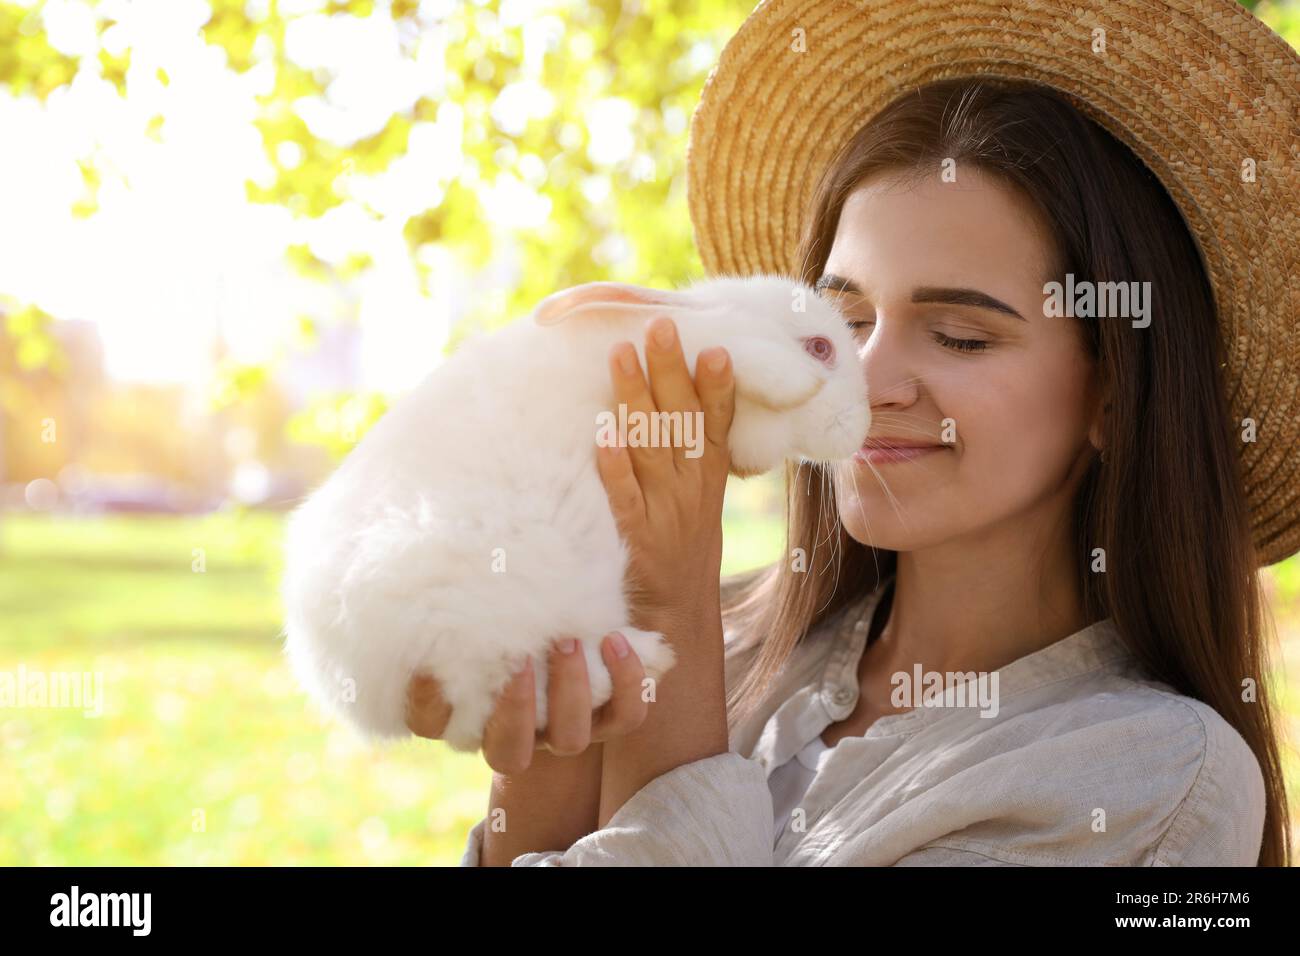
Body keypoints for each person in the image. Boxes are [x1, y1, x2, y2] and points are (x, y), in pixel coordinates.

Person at [410, 0, 1300, 866]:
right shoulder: (731, 643)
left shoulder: (1155, 774)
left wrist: (670, 600)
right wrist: (558, 716)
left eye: (960, 335)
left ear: (1113, 394)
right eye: (842, 324)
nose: (864, 380)